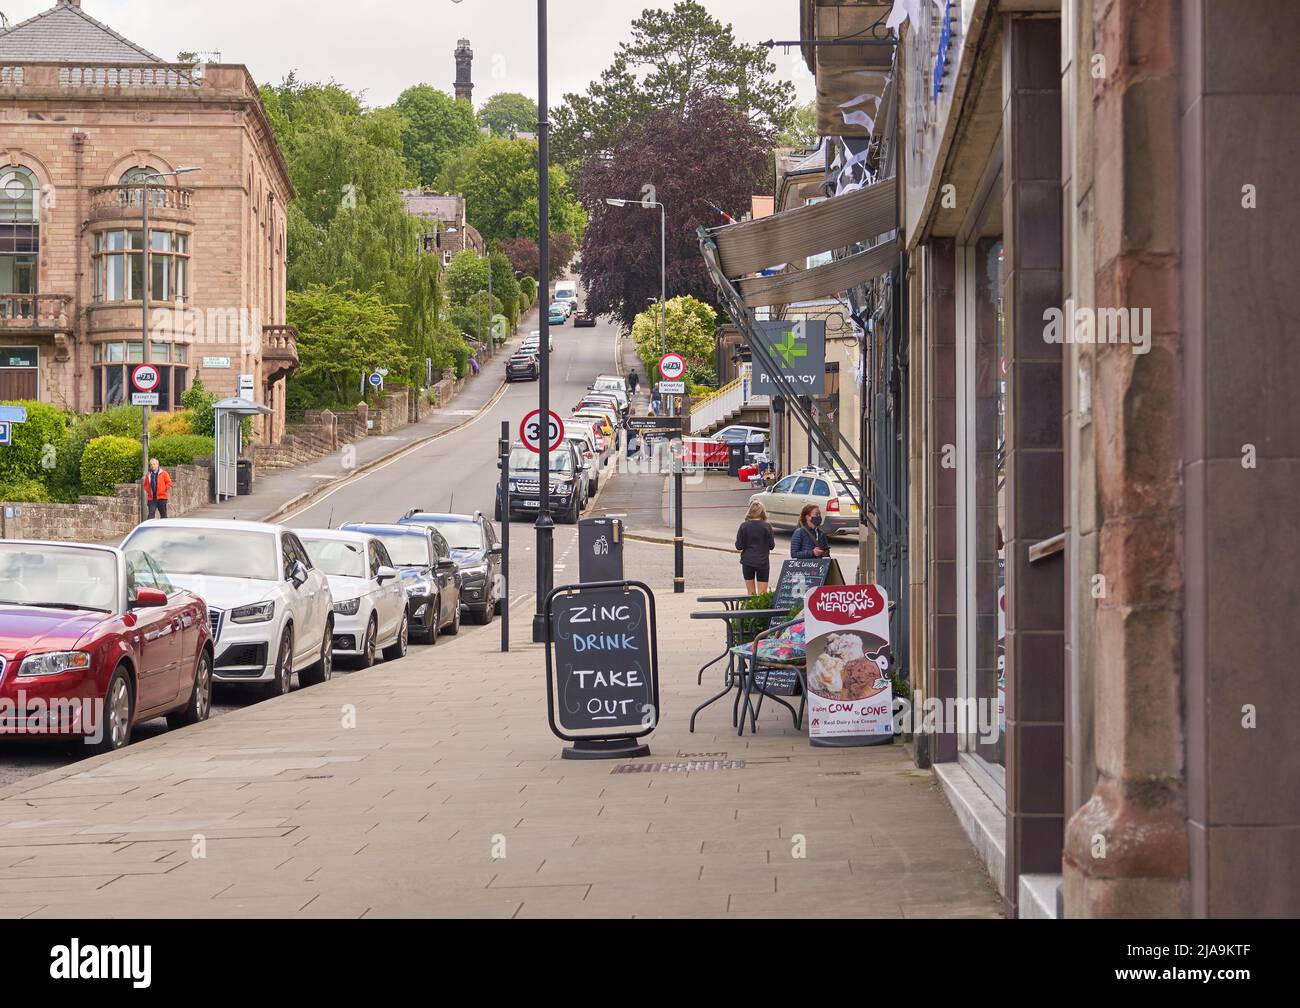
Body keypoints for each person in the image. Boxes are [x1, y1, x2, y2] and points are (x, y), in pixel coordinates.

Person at [735, 500, 775, 594]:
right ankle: (761, 608)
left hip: (748, 562)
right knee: (762, 593)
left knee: (751, 593)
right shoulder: (767, 526)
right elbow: (771, 546)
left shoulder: (744, 526)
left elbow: (739, 546)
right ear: (762, 512)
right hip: (763, 562)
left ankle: (751, 608)